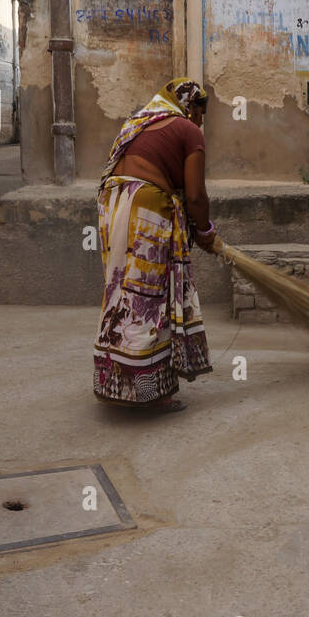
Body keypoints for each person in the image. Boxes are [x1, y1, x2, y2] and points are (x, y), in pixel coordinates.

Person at [93, 77, 217, 411]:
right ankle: (145, 392)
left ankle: (113, 381)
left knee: (121, 291)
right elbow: (195, 195)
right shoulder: (188, 130)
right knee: (149, 296)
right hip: (145, 206)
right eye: (201, 113)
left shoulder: (140, 121)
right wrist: (206, 232)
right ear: (189, 106)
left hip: (112, 203)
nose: (202, 122)